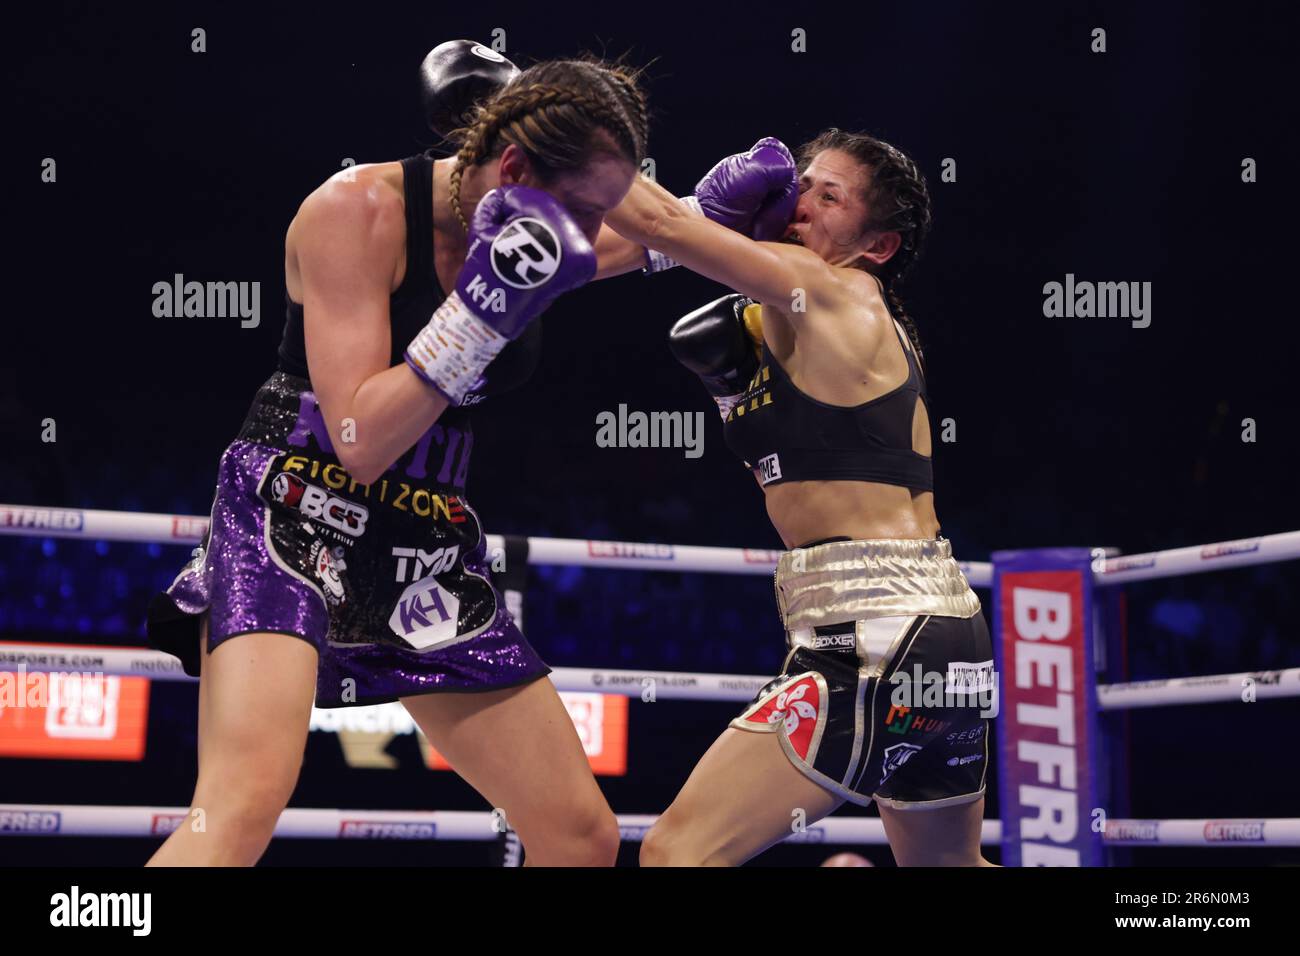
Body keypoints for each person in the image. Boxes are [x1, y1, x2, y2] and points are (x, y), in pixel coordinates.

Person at [144, 46, 798, 866]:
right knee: (239, 805)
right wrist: (477, 316)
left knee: (580, 838)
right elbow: (360, 442)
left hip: (426, 531)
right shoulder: (354, 212)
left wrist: (717, 215)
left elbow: (645, 236)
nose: (590, 237)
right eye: (579, 213)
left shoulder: (568, 175)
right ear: (514, 165)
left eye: (602, 211)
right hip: (293, 505)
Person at [604, 129, 998, 867]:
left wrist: (547, 126)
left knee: (675, 856)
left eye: (830, 195)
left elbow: (657, 226)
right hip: (945, 633)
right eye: (805, 183)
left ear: (877, 246)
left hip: (873, 630)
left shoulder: (828, 285)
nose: (800, 201)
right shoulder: (831, 317)